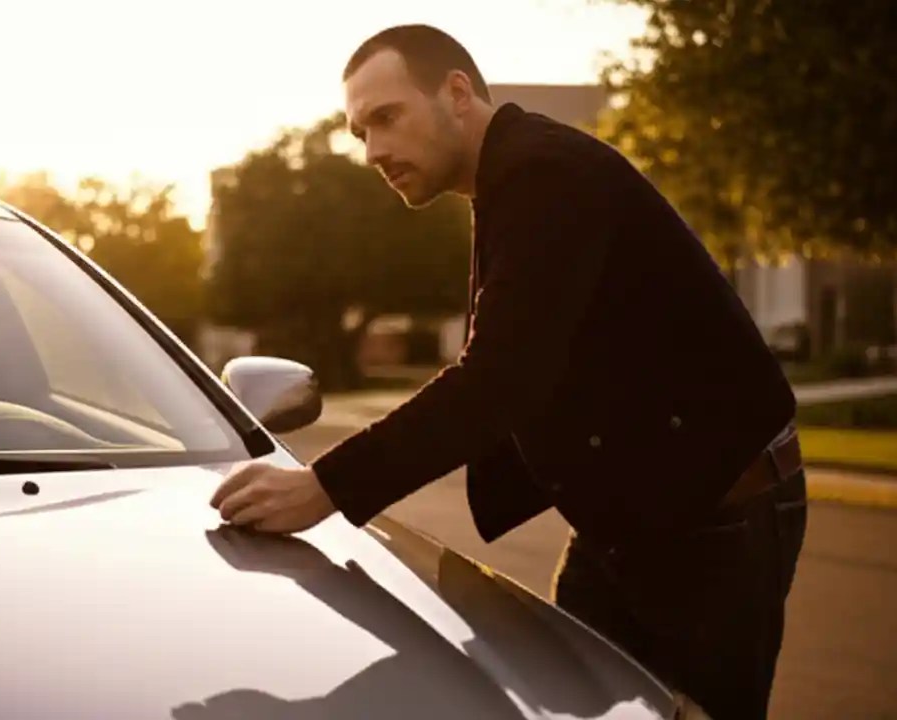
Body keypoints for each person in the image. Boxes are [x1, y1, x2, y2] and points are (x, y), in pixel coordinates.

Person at [210, 23, 808, 719]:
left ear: (457, 93)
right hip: (632, 516)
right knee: (563, 702)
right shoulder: (510, 181)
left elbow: (496, 381)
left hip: (714, 520)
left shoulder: (545, 174)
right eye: (359, 134)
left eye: (385, 118)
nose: (372, 151)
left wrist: (325, 487)